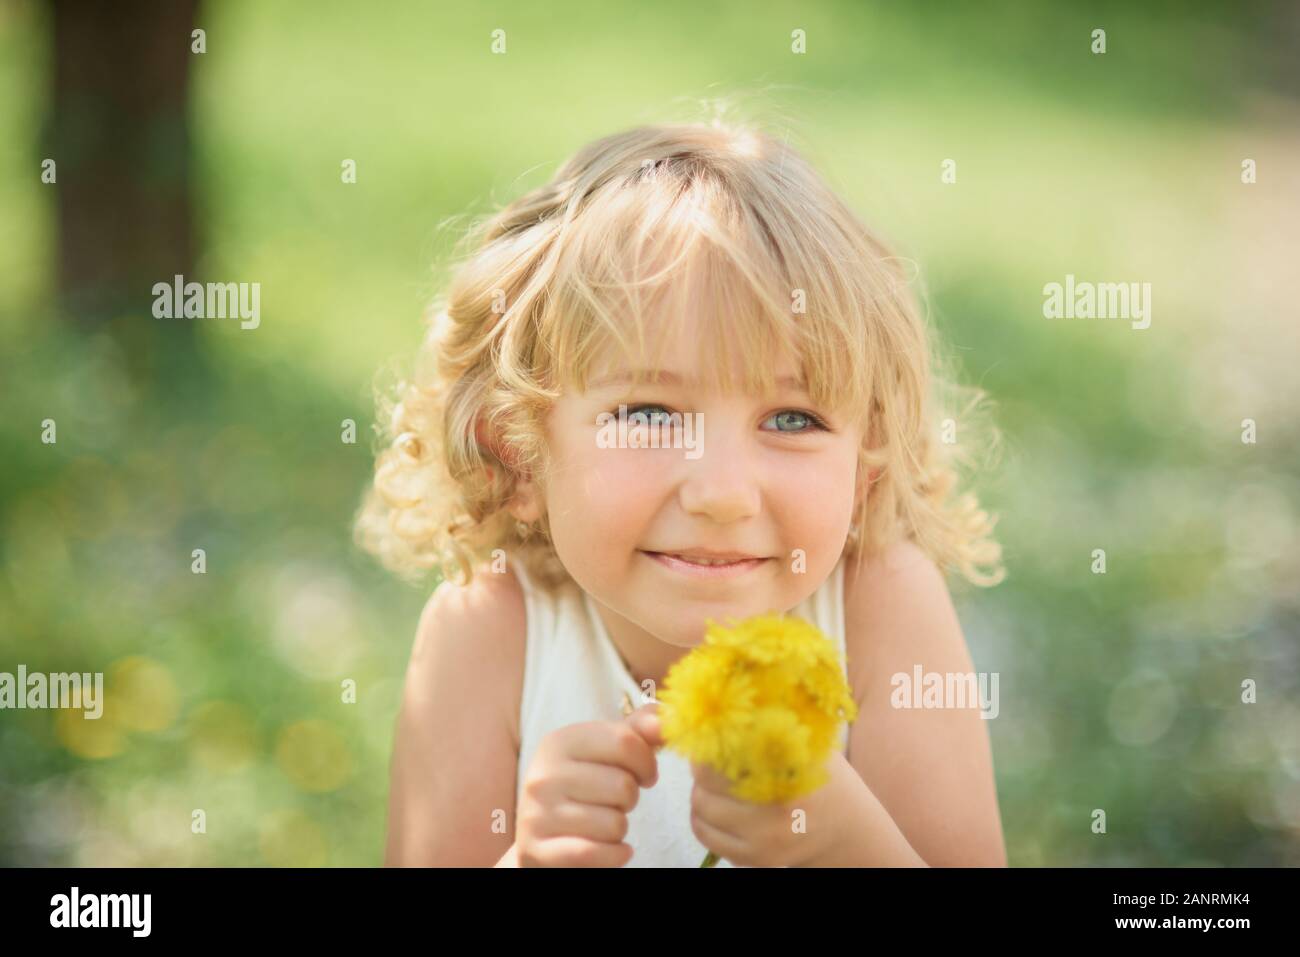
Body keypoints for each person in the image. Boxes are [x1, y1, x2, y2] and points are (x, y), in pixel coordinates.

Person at [358, 120, 1007, 867]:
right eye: (649, 415)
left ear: (867, 465)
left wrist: (847, 847)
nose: (723, 493)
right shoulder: (488, 631)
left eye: (793, 418)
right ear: (520, 453)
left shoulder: (882, 609)